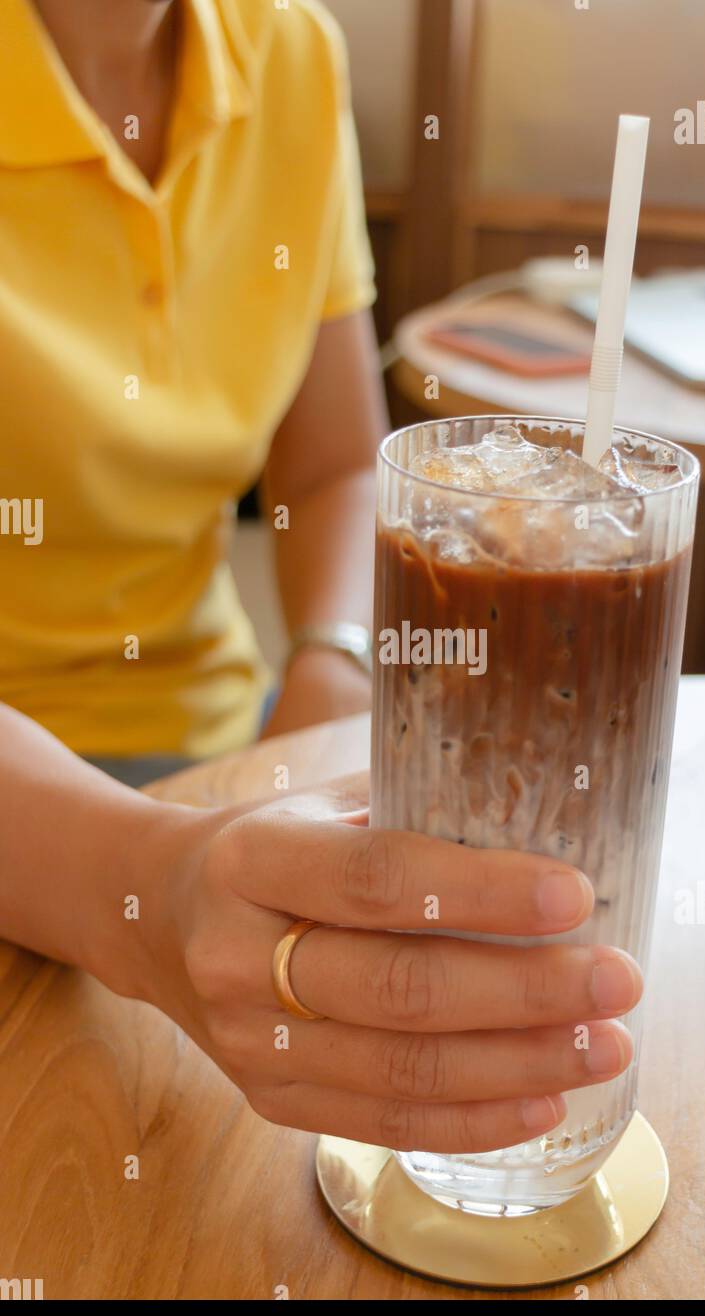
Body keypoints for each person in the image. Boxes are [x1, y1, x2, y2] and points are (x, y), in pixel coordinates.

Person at [0, 0, 642, 1154]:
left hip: (210, 748)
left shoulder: (287, 50)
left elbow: (338, 459)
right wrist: (146, 894)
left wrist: (331, 668)